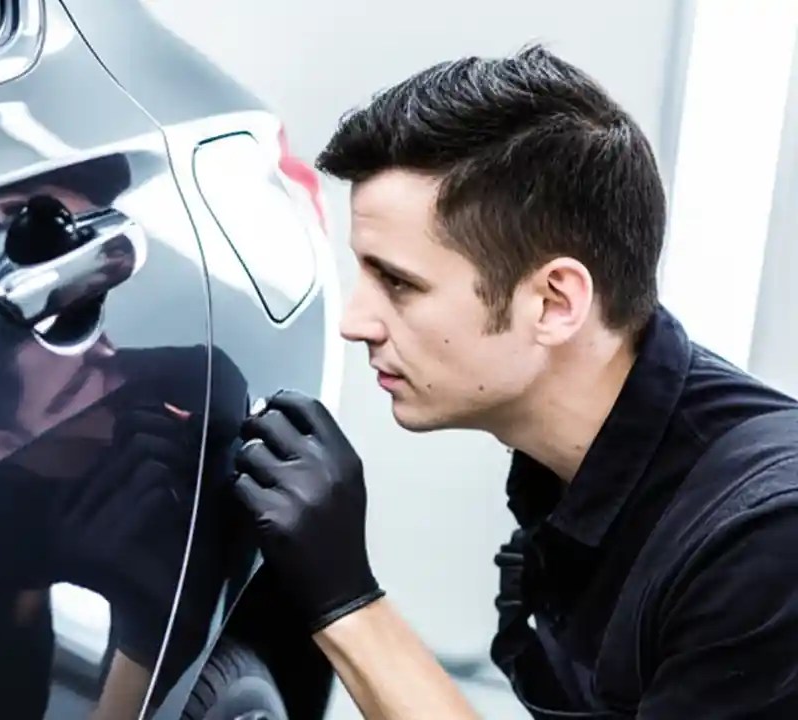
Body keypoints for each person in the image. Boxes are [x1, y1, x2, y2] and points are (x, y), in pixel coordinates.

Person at [231, 44, 798, 719]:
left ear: (555, 303)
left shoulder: (765, 546)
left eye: (399, 283)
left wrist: (346, 600)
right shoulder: (575, 476)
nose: (355, 323)